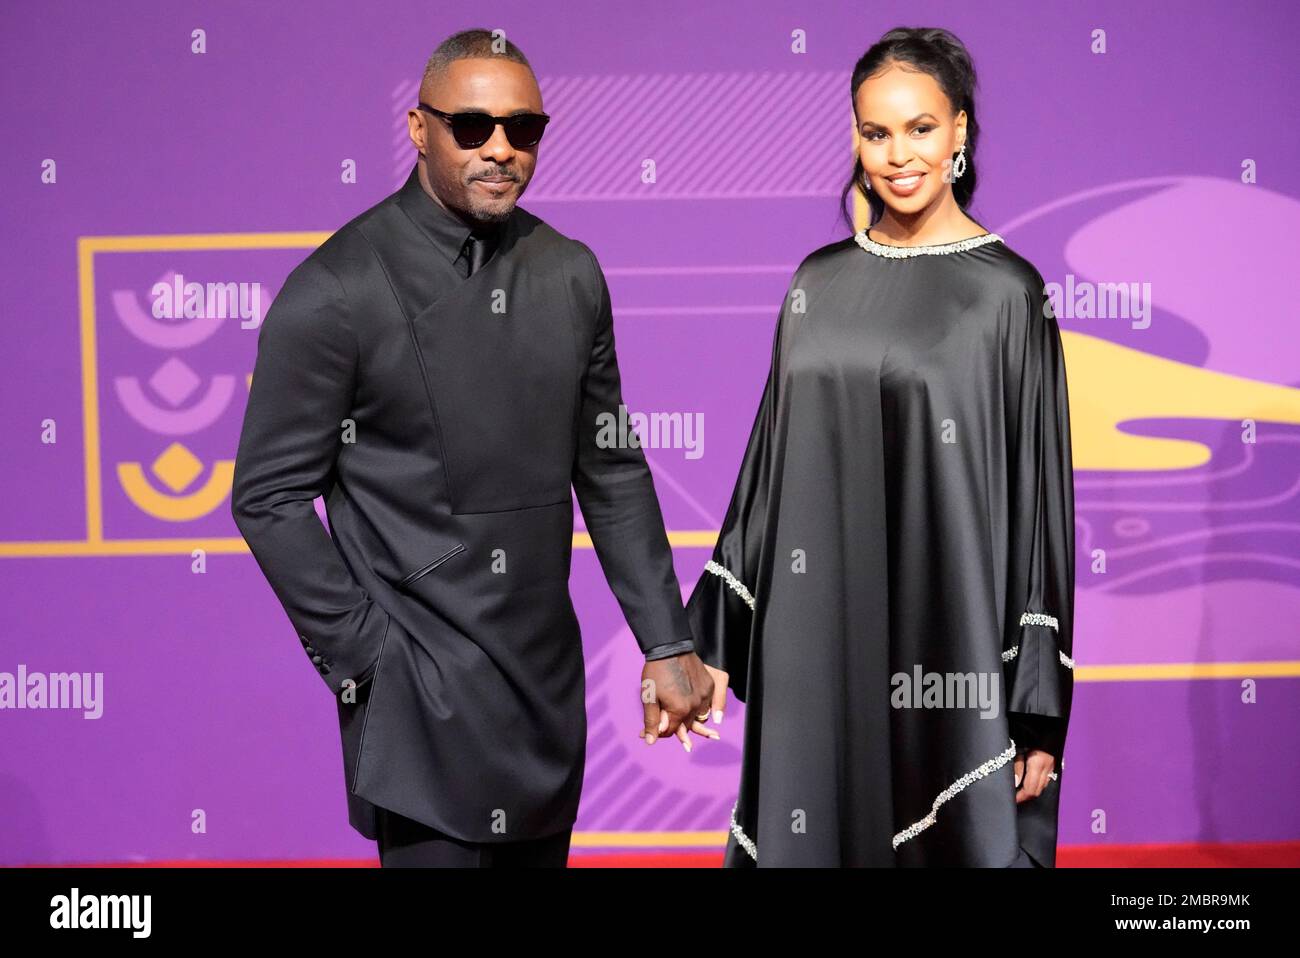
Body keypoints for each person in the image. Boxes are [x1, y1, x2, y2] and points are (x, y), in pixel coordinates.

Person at [231, 29, 715, 868]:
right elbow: (266, 496)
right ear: (420, 129)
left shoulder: (568, 272)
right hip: (416, 700)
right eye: (472, 127)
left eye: (523, 130)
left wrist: (665, 641)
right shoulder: (337, 289)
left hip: (540, 693)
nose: (500, 149)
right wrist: (363, 652)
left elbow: (608, 465)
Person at [685, 27, 1076, 867]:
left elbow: (1039, 506)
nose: (898, 155)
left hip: (953, 649)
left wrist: (1036, 706)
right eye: (875, 133)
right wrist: (714, 643)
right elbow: (768, 470)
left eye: (920, 129)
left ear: (961, 131)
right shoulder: (815, 284)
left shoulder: (1010, 296)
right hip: (817, 634)